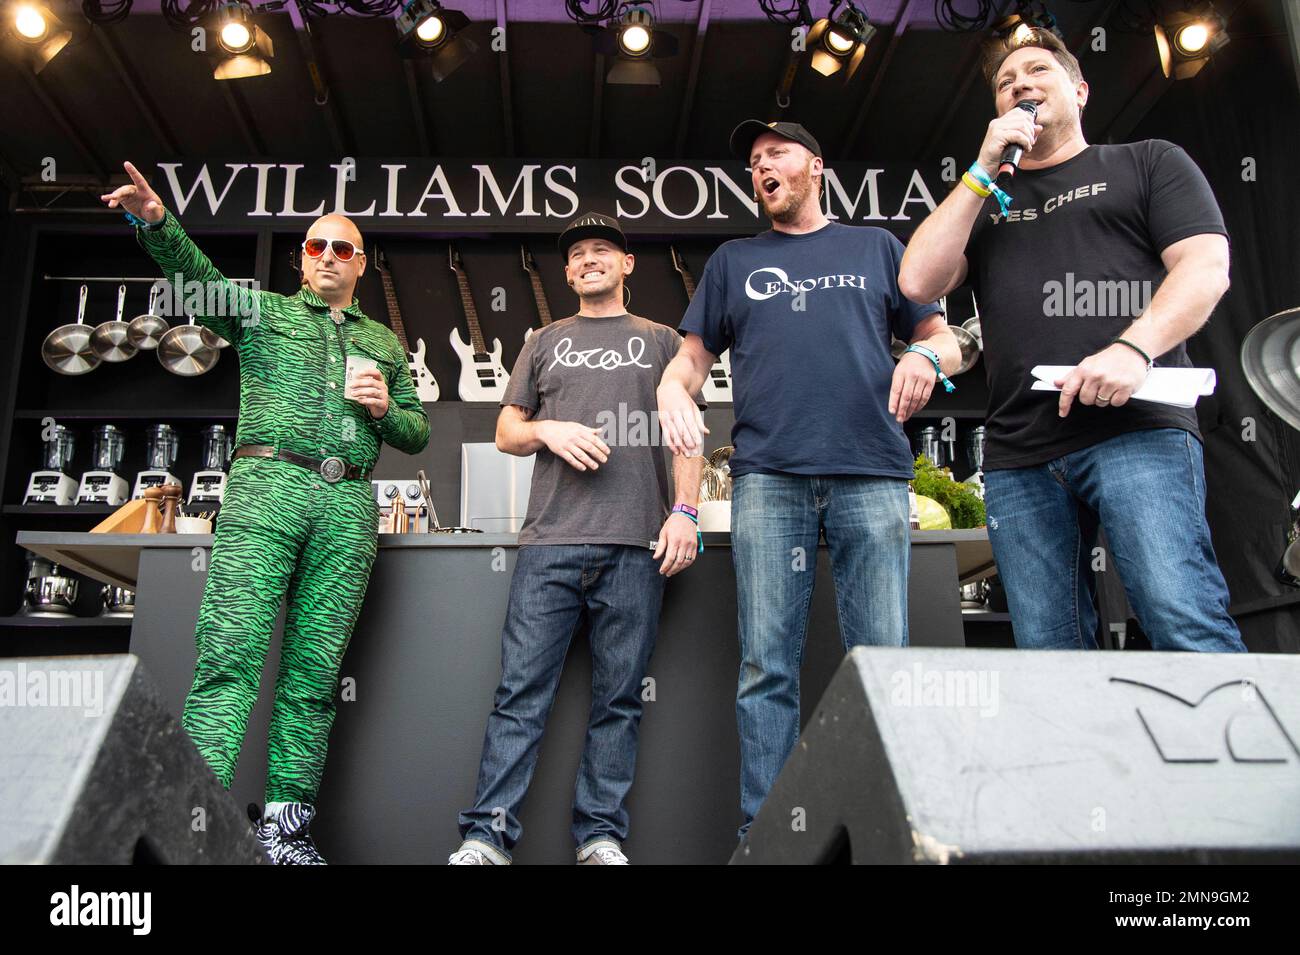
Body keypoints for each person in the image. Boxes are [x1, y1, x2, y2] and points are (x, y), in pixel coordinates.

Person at [101, 161, 431, 864]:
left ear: (362, 263)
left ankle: (286, 831)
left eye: (343, 248)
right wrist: (157, 223)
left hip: (347, 503)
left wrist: (385, 409)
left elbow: (417, 432)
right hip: (266, 487)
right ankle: (196, 828)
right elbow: (200, 284)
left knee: (313, 678)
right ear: (302, 258)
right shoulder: (264, 313)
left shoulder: (385, 343)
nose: (329, 257)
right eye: (317, 247)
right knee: (229, 655)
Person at [656, 122, 959, 836]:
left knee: (881, 664)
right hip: (770, 479)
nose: (761, 166)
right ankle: (768, 839)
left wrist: (930, 359)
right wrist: (674, 387)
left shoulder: (878, 247)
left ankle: (886, 829)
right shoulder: (734, 259)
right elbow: (691, 359)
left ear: (814, 166)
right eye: (754, 161)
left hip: (872, 472)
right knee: (766, 669)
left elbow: (941, 335)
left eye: (776, 154)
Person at [897, 30, 1245, 653]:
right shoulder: (988, 199)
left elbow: (1204, 267)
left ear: (1080, 91)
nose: (1020, 85)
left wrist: (1133, 351)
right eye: (1005, 83)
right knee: (1047, 648)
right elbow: (917, 279)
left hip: (1136, 428)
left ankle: (1238, 751)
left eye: (1037, 71)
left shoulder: (1147, 161)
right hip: (1020, 452)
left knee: (1178, 614)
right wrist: (979, 172)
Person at [449, 212, 706, 865]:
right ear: (567, 272)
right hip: (550, 544)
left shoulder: (663, 341)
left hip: (636, 545)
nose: (590, 259)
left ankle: (599, 835)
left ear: (626, 265)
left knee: (619, 699)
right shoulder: (542, 340)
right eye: (579, 253)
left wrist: (686, 511)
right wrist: (548, 431)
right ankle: (486, 835)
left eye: (604, 250)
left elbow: (687, 434)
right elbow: (508, 429)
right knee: (519, 694)